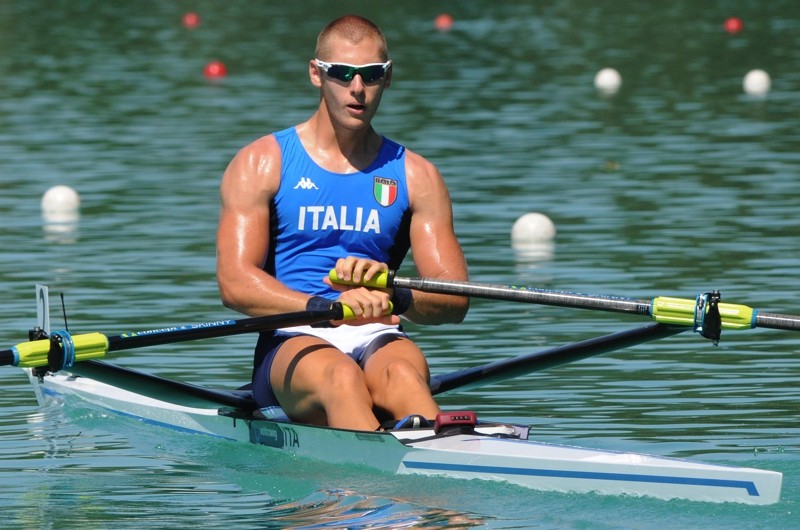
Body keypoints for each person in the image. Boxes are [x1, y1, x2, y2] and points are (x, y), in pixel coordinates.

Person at [215, 14, 469, 431]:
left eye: (370, 75)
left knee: (405, 376)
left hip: (378, 334)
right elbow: (235, 282)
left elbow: (454, 300)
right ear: (317, 74)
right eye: (343, 73)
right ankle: (378, 487)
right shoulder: (262, 162)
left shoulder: (417, 175)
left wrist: (394, 293)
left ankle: (443, 477)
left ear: (387, 79)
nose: (357, 88)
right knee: (342, 378)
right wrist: (329, 309)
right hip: (292, 336)